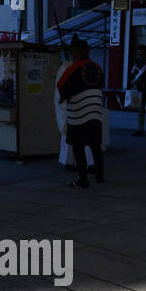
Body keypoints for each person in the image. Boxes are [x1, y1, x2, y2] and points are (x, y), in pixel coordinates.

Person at [56, 37, 106, 189]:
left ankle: (83, 180)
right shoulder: (97, 67)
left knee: (78, 147)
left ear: (76, 52)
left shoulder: (72, 68)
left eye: (72, 51)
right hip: (96, 111)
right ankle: (99, 176)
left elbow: (61, 87)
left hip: (78, 113)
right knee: (95, 145)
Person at [130, 46, 146, 137]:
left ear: (145, 52)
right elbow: (133, 73)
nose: (139, 56)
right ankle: (140, 129)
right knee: (140, 110)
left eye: (141, 54)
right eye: (138, 54)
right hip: (139, 89)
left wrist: (140, 81)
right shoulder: (136, 62)